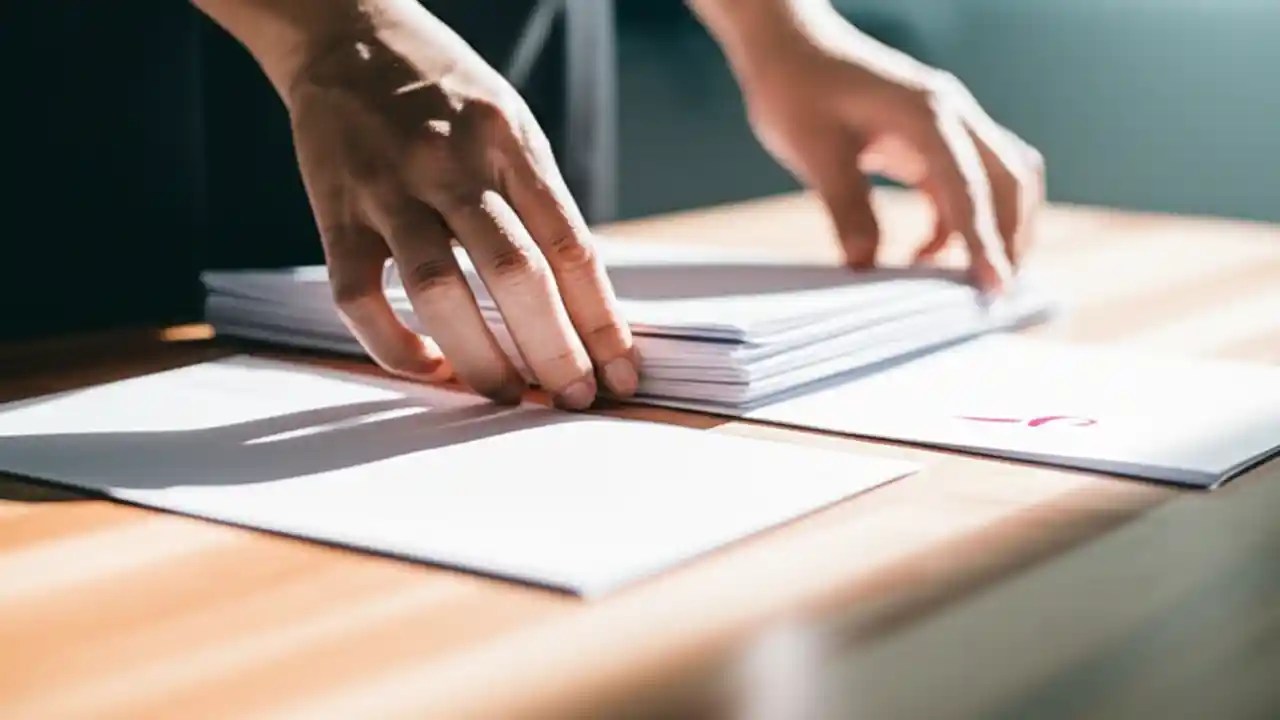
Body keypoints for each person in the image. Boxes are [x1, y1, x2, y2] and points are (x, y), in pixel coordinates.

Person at [193, 0, 1044, 410]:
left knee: (551, 318)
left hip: (518, 46)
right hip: (175, 72)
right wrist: (338, 26)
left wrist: (777, 25)